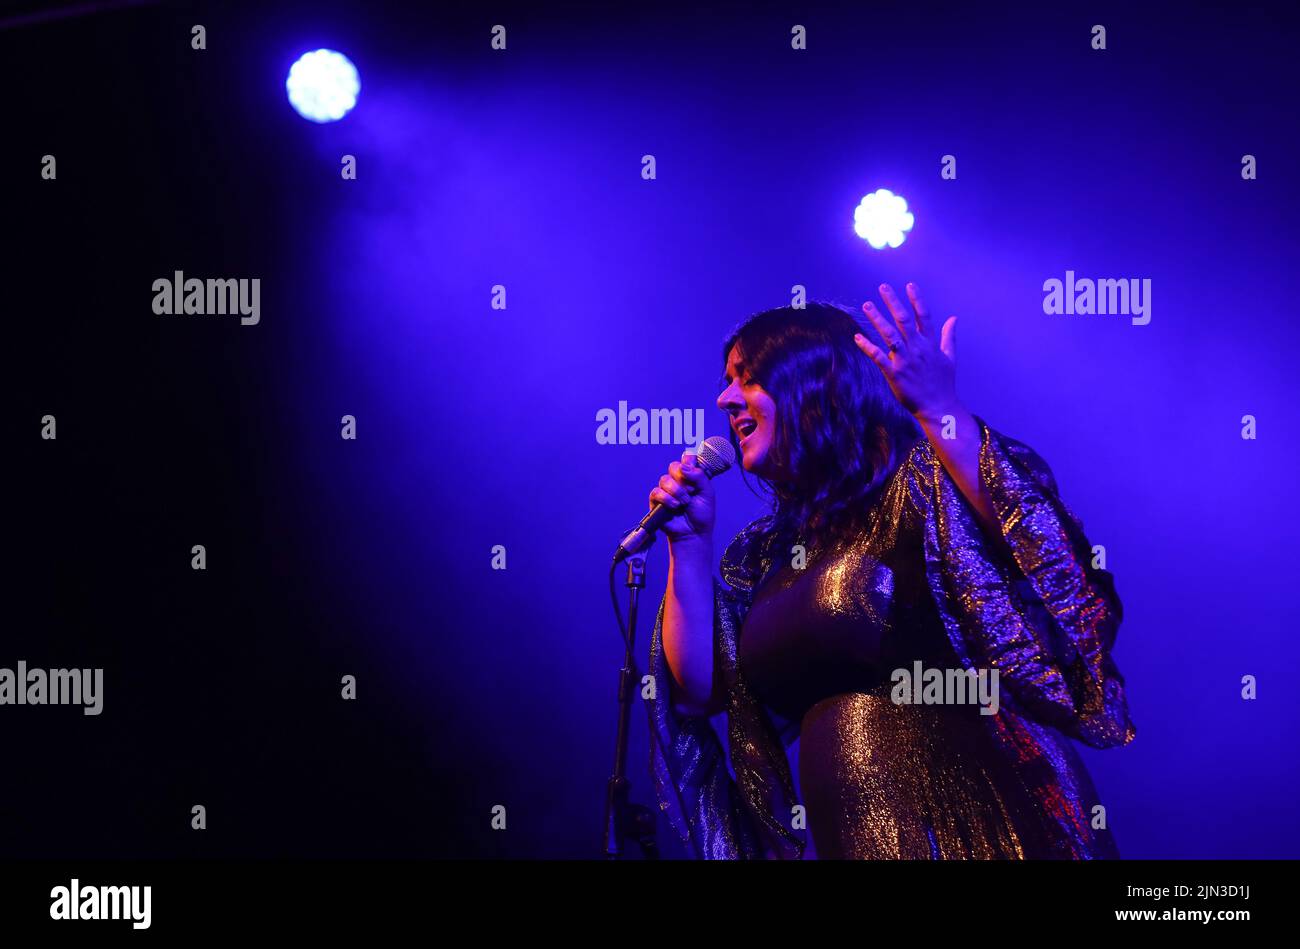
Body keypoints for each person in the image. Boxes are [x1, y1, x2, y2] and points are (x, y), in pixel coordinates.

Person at [645, 284, 1135, 859]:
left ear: (815, 383)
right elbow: (702, 690)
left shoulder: (919, 482)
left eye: (748, 376)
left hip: (979, 818)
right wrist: (690, 545)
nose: (726, 399)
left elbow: (1029, 536)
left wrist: (939, 409)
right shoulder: (773, 552)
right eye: (726, 381)